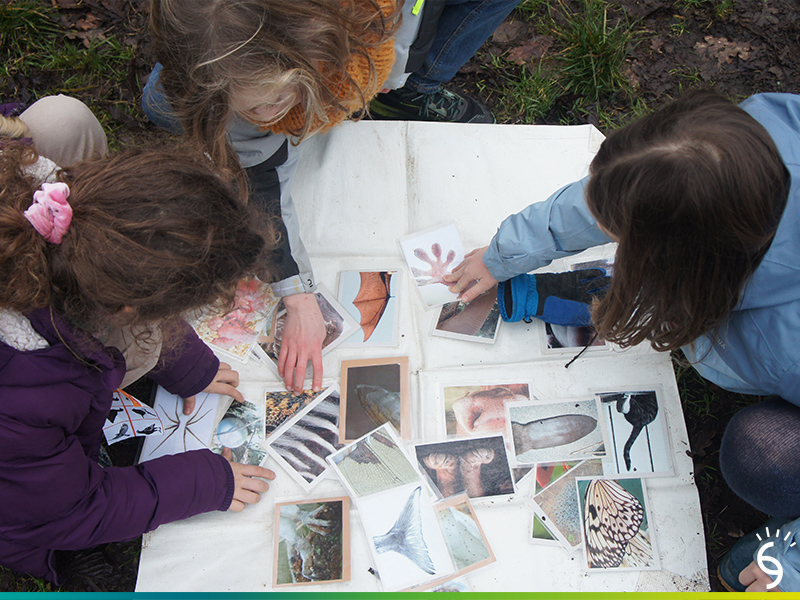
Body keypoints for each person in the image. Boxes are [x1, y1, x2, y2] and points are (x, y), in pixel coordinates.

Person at [445, 90, 800, 592]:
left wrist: (791, 561)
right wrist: (505, 255)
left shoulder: (786, 345)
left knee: (761, 453)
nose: (609, 236)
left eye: (625, 241)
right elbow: (624, 193)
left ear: (694, 267)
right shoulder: (737, 143)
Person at [143, 0, 520, 394]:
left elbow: (413, 15)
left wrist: (397, 70)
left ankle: (411, 91)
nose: (270, 113)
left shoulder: (365, 21)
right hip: (233, 61)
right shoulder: (228, 90)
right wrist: (297, 294)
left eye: (282, 96)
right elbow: (261, 180)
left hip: (369, 36)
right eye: (257, 107)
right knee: (163, 105)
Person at [0, 128, 277, 582]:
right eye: (168, 313)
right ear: (125, 309)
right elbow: (73, 509)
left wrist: (189, 364)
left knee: (62, 121)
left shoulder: (59, 209)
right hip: (22, 508)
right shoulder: (25, 397)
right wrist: (203, 481)